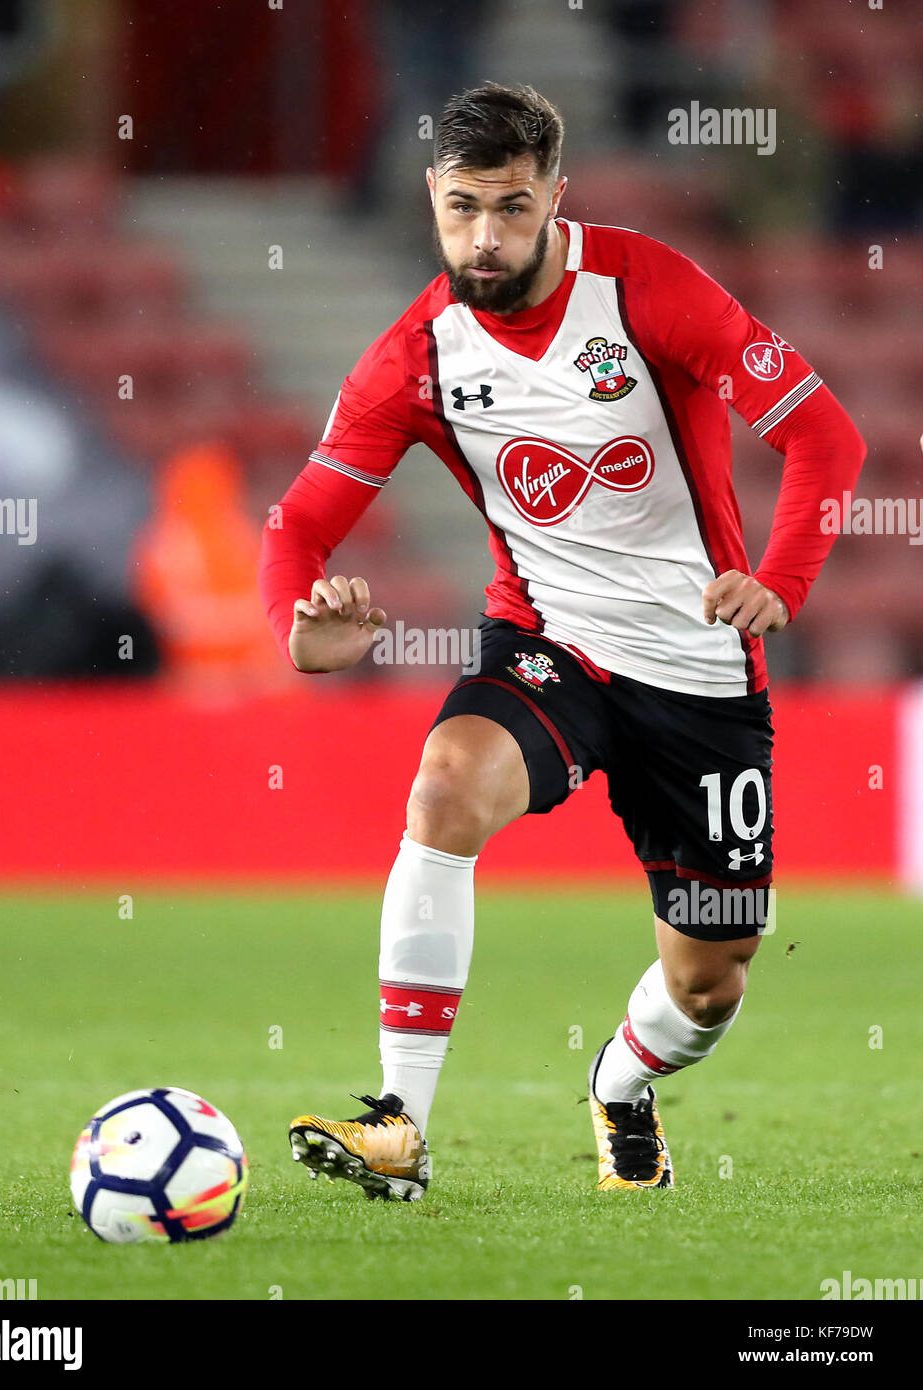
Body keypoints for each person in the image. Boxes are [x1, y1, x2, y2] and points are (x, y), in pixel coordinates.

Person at [259, 82, 865, 1200]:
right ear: (429, 199)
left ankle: (621, 1085)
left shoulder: (647, 289)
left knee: (709, 980)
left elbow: (825, 437)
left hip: (697, 667)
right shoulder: (416, 358)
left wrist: (778, 580)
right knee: (442, 791)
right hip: (550, 642)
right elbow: (297, 524)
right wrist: (302, 633)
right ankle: (399, 1127)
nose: (483, 237)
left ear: (553, 197)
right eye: (460, 209)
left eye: (510, 207)